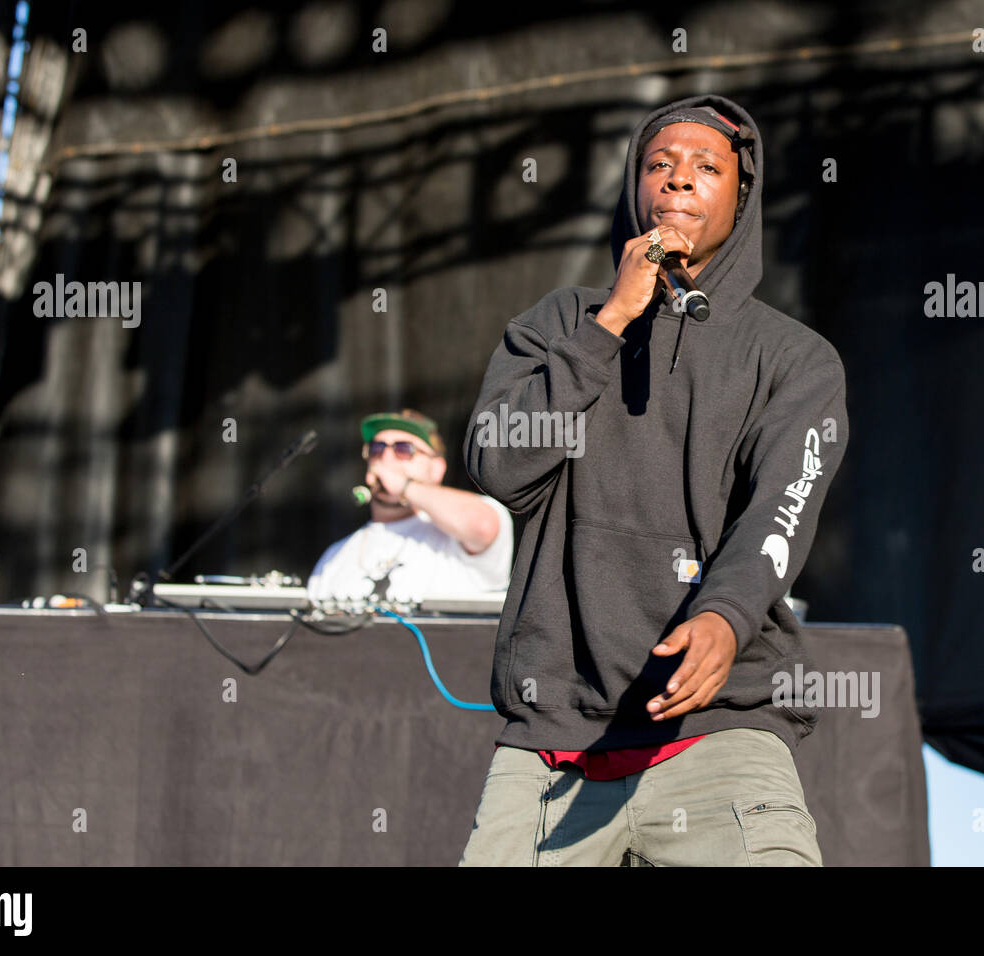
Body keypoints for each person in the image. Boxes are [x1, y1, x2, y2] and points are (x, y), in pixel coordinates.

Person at [458, 95, 849, 866]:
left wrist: (727, 616)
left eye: (707, 168)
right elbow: (498, 466)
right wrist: (607, 327)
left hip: (720, 728)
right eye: (660, 165)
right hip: (554, 738)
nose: (679, 182)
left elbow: (780, 514)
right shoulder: (557, 325)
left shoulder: (795, 358)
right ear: (636, 188)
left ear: (742, 196)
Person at [307, 409, 513, 605]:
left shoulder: (456, 536)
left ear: (436, 469)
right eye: (377, 448)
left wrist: (404, 486)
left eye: (403, 449)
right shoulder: (335, 555)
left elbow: (482, 526)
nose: (386, 458)